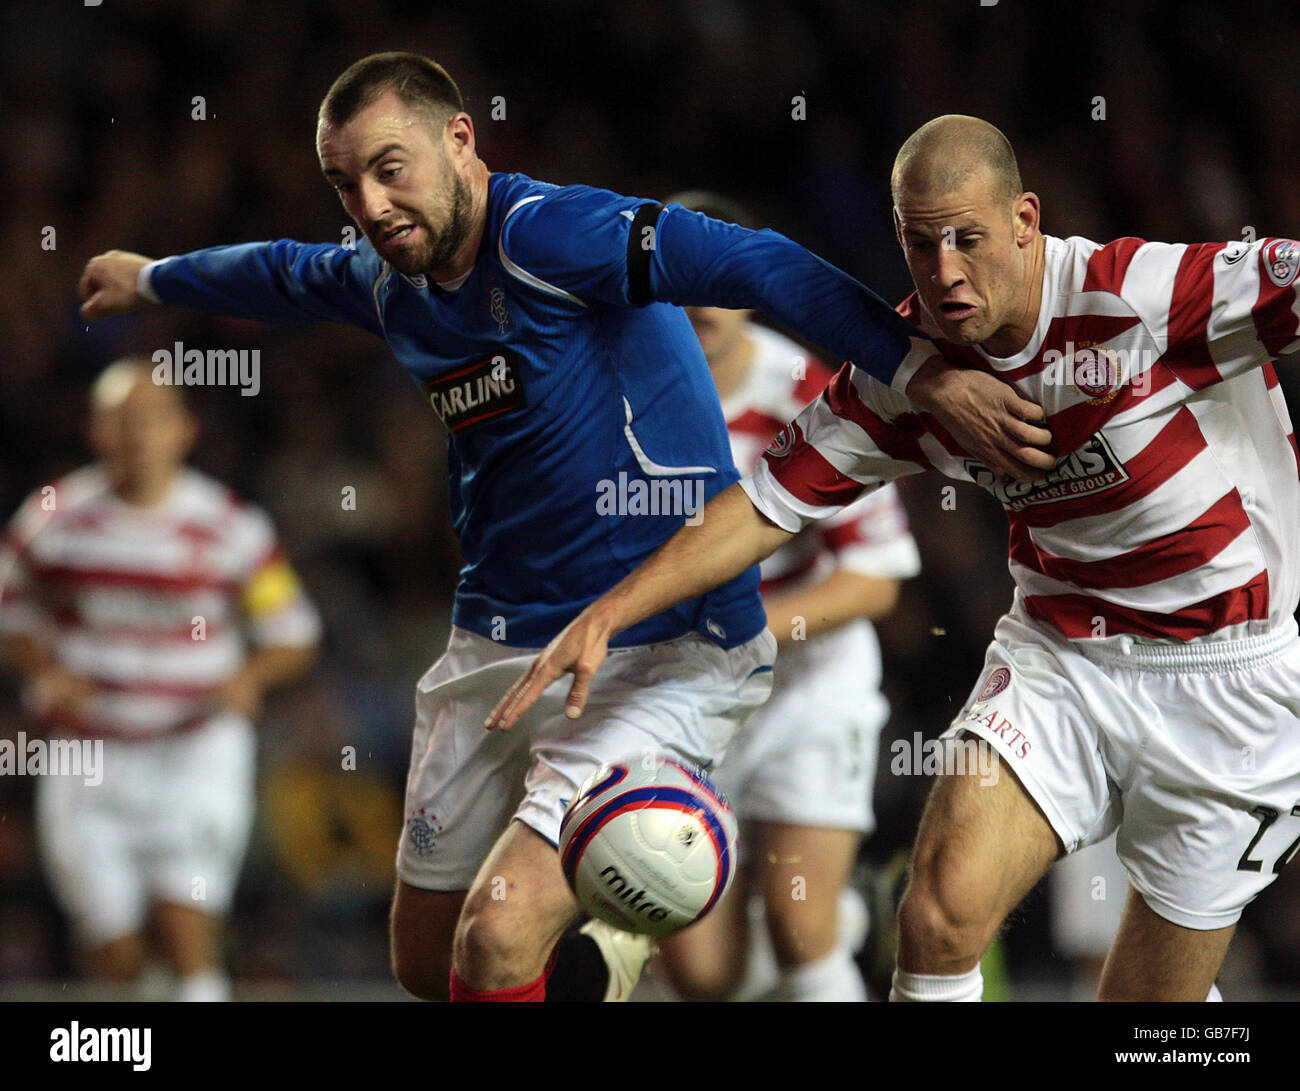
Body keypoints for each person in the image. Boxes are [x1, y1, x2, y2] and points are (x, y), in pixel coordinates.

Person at [77, 54, 1049, 1003]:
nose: (369, 205)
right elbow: (283, 274)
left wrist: (917, 370)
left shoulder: (555, 234)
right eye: (345, 184)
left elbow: (754, 262)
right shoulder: (385, 279)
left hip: (663, 644)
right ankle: (608, 943)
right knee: (430, 964)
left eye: (388, 167)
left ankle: (618, 902)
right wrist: (154, 276)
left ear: (460, 138)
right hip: (495, 639)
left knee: (498, 933)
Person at [490, 114, 1300, 1002]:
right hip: (1063, 656)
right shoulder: (902, 375)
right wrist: (610, 611)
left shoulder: (1138, 294)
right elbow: (759, 509)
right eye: (920, 244)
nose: (945, 271)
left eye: (968, 238)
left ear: (1026, 219)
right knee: (937, 912)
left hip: (1235, 679)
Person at [652, 191, 920, 1002]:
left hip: (809, 683)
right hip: (686, 689)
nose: (697, 300)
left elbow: (875, 580)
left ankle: (829, 927)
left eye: (714, 281)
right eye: (673, 279)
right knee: (704, 976)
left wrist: (748, 624)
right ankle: (857, 918)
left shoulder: (809, 389)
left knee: (800, 929)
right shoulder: (621, 396)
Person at [0, 360, 320, 1001]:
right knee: (111, 951)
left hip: (194, 747)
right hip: (88, 752)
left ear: (183, 430)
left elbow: (293, 633)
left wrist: (249, 678)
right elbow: (11, 612)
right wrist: (46, 669)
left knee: (185, 923)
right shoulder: (52, 517)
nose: (136, 435)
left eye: (150, 419)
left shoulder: (232, 526)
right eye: (120, 421)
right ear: (95, 432)